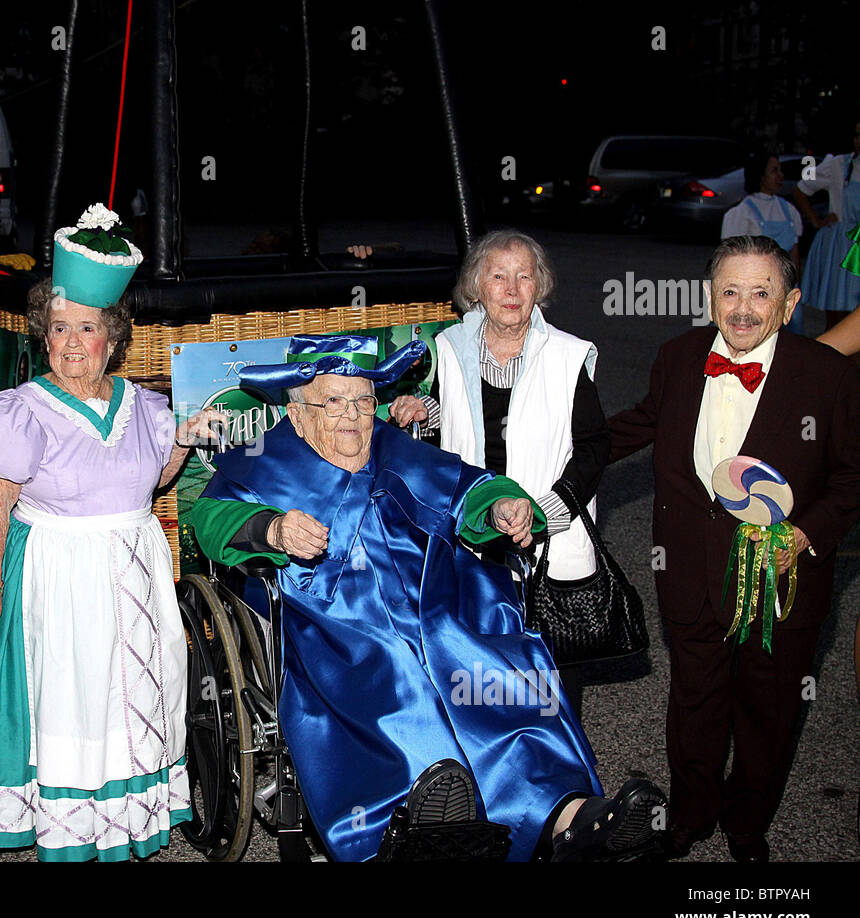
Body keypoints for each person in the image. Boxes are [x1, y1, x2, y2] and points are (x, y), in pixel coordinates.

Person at [189, 334, 665, 862]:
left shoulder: (394, 447)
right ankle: (415, 823)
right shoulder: (263, 461)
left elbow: (467, 487)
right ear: (297, 411)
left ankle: (568, 815)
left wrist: (503, 506)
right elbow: (209, 520)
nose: (352, 416)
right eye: (333, 403)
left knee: (496, 658)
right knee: (393, 668)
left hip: (434, 603)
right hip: (335, 624)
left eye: (364, 401)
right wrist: (272, 530)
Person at [0, 204, 224, 860]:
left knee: (133, 699)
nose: (73, 343)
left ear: (112, 336)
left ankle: (121, 820)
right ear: (44, 337)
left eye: (88, 329)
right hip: (58, 581)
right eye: (61, 329)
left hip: (134, 571)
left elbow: (151, 482)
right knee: (72, 701)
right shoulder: (17, 414)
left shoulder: (146, 407)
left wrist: (183, 436)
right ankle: (69, 830)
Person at [609, 235, 860, 862]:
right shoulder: (678, 356)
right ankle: (691, 814)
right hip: (690, 571)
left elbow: (853, 476)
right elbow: (633, 425)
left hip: (779, 582)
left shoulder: (828, 375)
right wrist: (538, 453)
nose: (743, 309)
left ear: (791, 301)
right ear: (708, 296)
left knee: (770, 709)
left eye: (761, 293)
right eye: (729, 291)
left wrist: (805, 535)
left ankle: (748, 822)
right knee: (694, 703)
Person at [388, 230, 609, 713]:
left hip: (550, 541)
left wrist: (543, 512)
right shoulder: (449, 347)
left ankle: (563, 779)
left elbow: (593, 449)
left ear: (539, 287)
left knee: (554, 682)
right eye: (499, 276)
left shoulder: (568, 356)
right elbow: (459, 415)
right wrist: (424, 410)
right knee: (485, 673)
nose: (512, 289)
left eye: (524, 277)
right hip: (475, 536)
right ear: (477, 288)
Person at [723, 152, 804, 333]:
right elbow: (730, 262)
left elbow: (794, 254)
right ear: (760, 176)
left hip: (785, 290)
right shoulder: (742, 213)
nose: (780, 176)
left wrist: (794, 286)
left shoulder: (788, 210)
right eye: (774, 171)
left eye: (780, 170)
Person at [793, 121, 860, 330]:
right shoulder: (838, 165)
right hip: (842, 247)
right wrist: (816, 219)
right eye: (857, 135)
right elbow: (801, 189)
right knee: (838, 315)